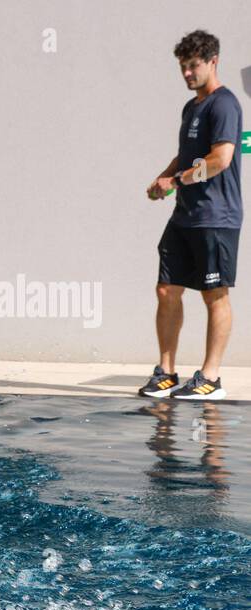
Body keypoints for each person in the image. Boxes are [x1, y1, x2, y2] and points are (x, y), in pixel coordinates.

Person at [141, 29, 243, 401]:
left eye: (193, 66)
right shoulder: (192, 107)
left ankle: (211, 378)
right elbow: (186, 156)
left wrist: (178, 180)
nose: (187, 73)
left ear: (213, 62)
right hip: (184, 217)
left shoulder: (225, 104)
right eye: (183, 67)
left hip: (216, 217)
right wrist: (164, 178)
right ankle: (166, 373)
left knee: (214, 295)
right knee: (167, 289)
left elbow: (221, 160)